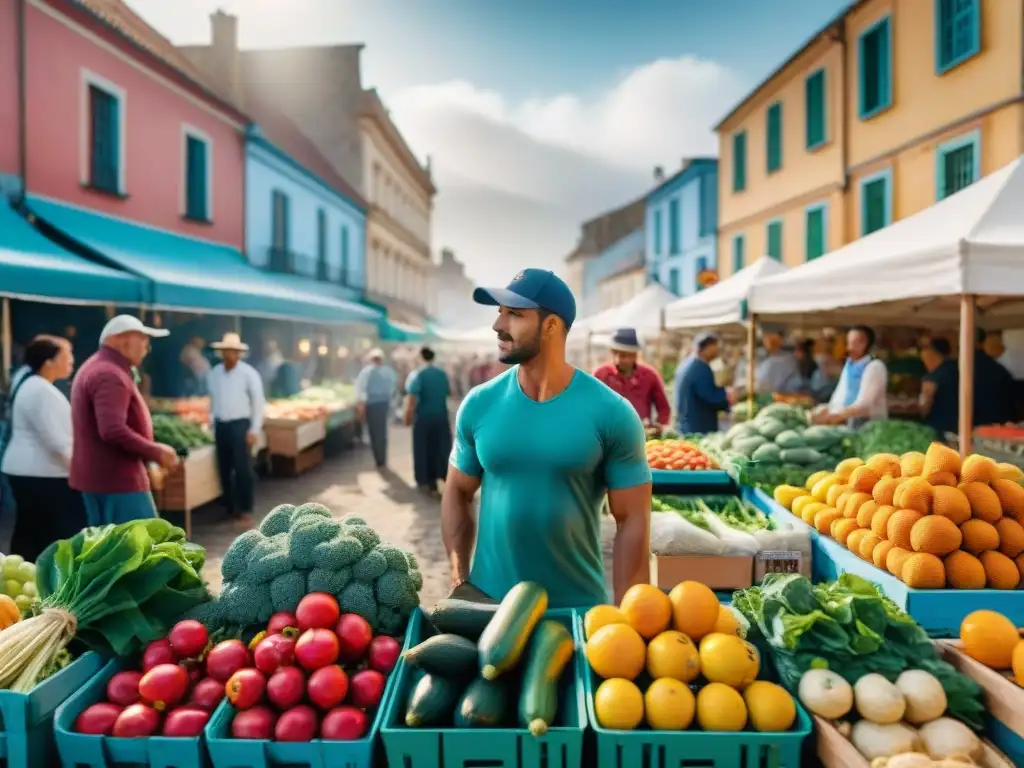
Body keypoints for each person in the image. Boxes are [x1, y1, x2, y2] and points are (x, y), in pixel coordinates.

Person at [442, 268, 651, 609]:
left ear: (551, 325)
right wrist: (459, 578)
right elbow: (457, 490)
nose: (498, 325)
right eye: (500, 312)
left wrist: (631, 616)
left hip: (579, 610)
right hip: (487, 608)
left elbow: (632, 519)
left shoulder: (612, 412)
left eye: (514, 314)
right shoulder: (479, 404)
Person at [70, 315, 179, 525]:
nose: (147, 348)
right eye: (143, 340)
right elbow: (112, 429)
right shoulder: (109, 373)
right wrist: (156, 451)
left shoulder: (102, 367)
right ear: (122, 340)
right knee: (145, 541)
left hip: (105, 479)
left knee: (112, 543)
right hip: (117, 481)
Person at [1, 337, 86, 561]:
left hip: (29, 471)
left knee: (30, 531)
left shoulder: (31, 383)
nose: (72, 360)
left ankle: (22, 573)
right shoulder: (41, 391)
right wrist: (81, 471)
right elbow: (58, 441)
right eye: (67, 355)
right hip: (43, 474)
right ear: (48, 362)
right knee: (56, 534)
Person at [207, 333, 266, 530]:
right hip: (221, 424)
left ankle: (246, 509)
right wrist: (211, 422)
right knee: (224, 467)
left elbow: (258, 402)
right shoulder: (215, 373)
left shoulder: (248, 373)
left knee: (242, 468)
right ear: (221, 353)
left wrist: (254, 428)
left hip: (241, 424)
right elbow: (213, 400)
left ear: (239, 353)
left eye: (233, 351)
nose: (229, 355)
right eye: (226, 351)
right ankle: (230, 507)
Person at [593, 328, 671, 435]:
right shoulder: (601, 375)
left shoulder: (649, 375)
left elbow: (663, 407)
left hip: (643, 433)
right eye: (621, 355)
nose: (625, 360)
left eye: (629, 355)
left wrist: (659, 426)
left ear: (636, 354)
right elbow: (591, 406)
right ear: (613, 353)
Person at [812, 325, 888, 427]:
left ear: (864, 344)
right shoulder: (849, 365)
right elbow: (840, 394)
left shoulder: (875, 367)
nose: (849, 348)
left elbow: (865, 405)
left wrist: (838, 416)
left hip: (869, 425)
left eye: (854, 343)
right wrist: (826, 409)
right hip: (847, 423)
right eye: (848, 342)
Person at [404, 347, 452, 496]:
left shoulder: (417, 374)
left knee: (423, 448)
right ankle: (443, 475)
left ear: (420, 357)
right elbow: (449, 393)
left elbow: (412, 398)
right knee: (441, 448)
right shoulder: (442, 374)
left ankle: (425, 480)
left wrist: (407, 416)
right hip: (441, 416)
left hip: (423, 418)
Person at [674, 333, 732, 434]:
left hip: (687, 424)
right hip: (698, 427)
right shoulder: (699, 368)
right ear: (707, 348)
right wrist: (727, 396)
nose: (717, 350)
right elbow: (711, 396)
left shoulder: (686, 364)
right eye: (715, 346)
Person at [355, 348, 397, 469]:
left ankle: (378, 459)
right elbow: (393, 389)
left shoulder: (366, 372)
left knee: (373, 432)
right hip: (384, 405)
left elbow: (360, 390)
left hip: (372, 405)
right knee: (382, 432)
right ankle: (382, 459)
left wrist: (361, 407)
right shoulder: (388, 372)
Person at [733, 326, 799, 397]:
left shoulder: (787, 359)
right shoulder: (753, 356)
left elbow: (792, 384)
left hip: (779, 398)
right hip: (752, 395)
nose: (769, 341)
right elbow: (740, 382)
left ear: (781, 340)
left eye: (774, 339)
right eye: (766, 337)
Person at [974, 330, 1014, 426]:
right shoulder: (998, 370)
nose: (1003, 348)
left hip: (972, 421)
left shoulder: (959, 366)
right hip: (996, 422)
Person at [919, 337, 958, 435]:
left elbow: (925, 406)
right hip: (961, 425)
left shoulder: (932, 378)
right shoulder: (959, 369)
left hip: (938, 427)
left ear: (933, 353)